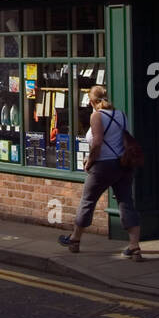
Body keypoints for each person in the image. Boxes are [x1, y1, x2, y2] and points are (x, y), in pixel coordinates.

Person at [58, 85, 142, 260]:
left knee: (88, 201)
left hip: (103, 166)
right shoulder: (121, 115)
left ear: (91, 101)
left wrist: (90, 161)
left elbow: (97, 143)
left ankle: (75, 240)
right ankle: (134, 246)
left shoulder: (97, 115)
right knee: (126, 202)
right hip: (123, 165)